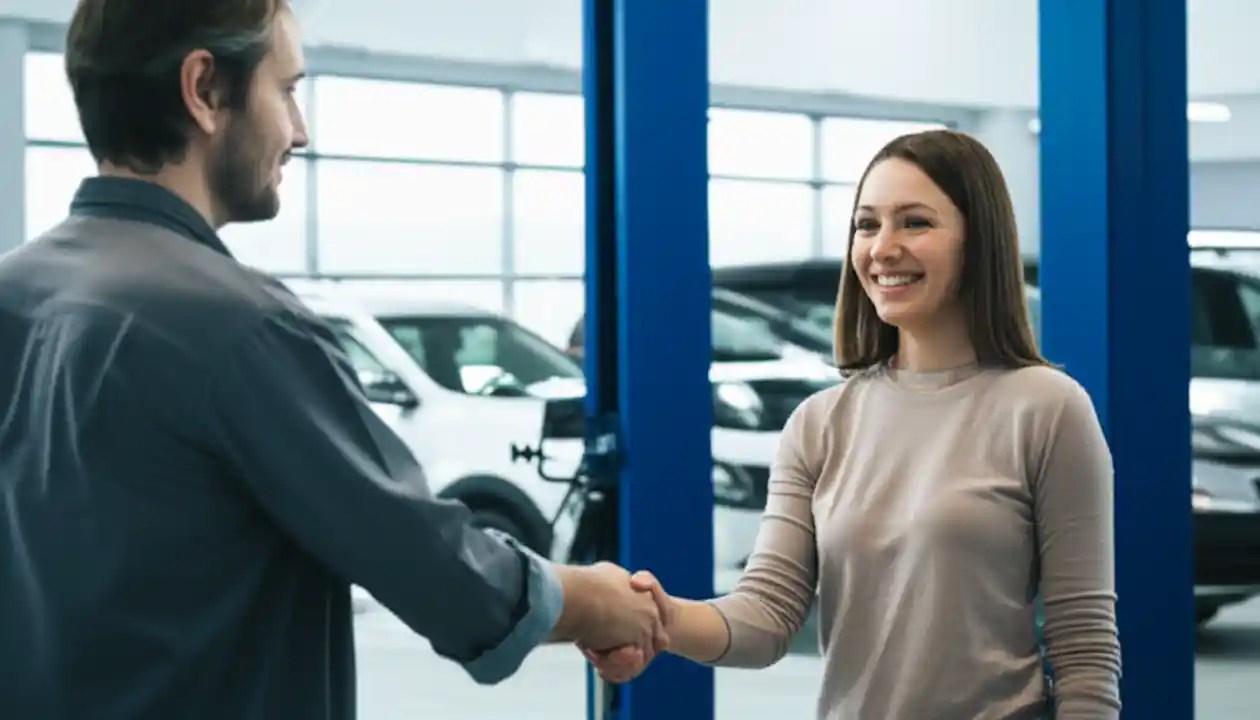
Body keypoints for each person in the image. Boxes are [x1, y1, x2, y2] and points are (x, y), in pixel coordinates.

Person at [0, 2, 665, 718]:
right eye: (286, 90)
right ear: (205, 90)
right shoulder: (241, 328)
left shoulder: (15, 292)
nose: (301, 130)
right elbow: (443, 573)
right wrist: (591, 601)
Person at [584, 129, 1122, 719]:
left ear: (978, 241)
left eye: (915, 222)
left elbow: (1084, 647)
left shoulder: (1047, 408)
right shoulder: (820, 423)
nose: (883, 248)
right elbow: (765, 615)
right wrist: (659, 620)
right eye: (867, 225)